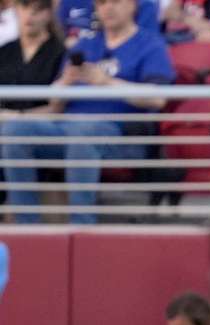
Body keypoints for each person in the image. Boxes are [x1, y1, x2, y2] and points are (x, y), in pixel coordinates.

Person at [1, 0, 174, 224]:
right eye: (101, 3)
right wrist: (65, 82)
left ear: (132, 5)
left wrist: (106, 82)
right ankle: (27, 224)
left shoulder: (151, 44)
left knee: (85, 131)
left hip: (120, 133)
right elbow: (55, 103)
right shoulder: (85, 44)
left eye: (115, 2)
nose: (107, 8)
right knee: (15, 131)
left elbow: (157, 98)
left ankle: (81, 225)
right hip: (66, 127)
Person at [0, 0, 64, 117]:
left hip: (39, 126)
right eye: (25, 7)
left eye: (38, 9)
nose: (30, 14)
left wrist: (18, 116)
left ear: (49, 13)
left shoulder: (61, 53)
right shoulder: (4, 51)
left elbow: (59, 107)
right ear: (16, 10)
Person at [58, 0, 161, 46]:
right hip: (79, 60)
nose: (108, 7)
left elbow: (148, 43)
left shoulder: (144, 6)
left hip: (127, 68)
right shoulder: (68, 2)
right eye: (102, 2)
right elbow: (57, 39)